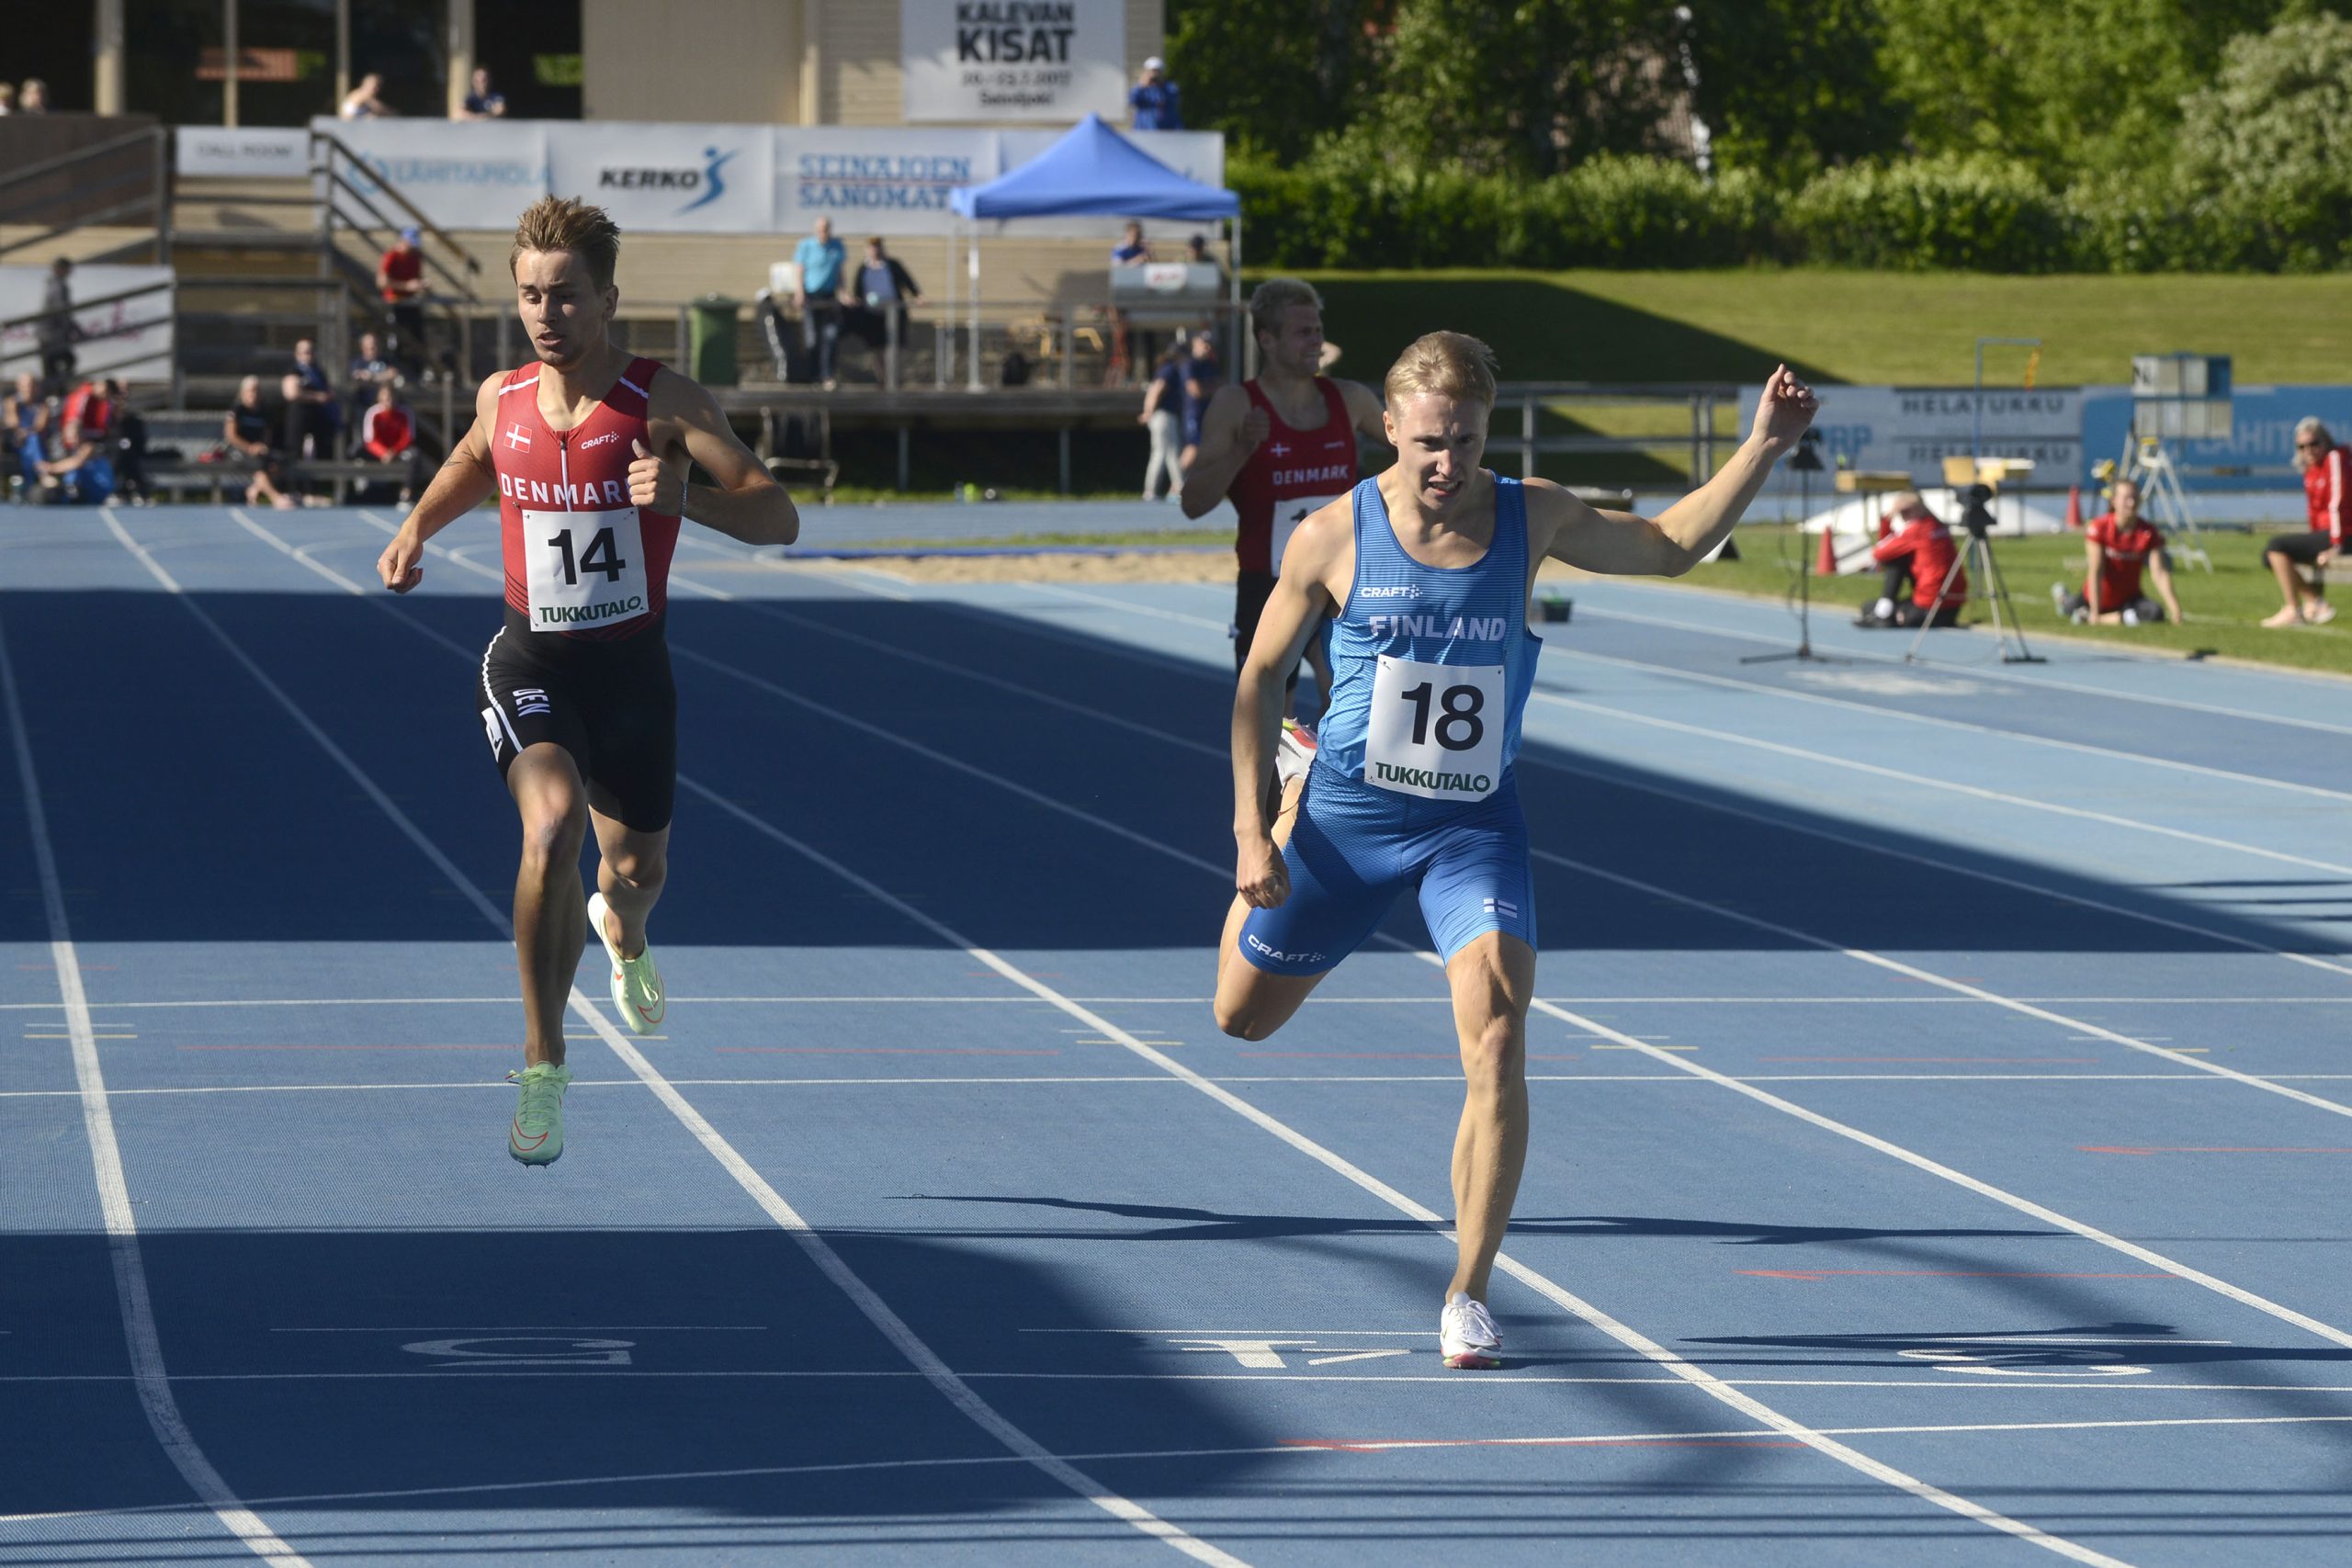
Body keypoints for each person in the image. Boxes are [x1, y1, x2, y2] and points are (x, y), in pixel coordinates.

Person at [1219, 333, 1816, 1369]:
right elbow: (1259, 677)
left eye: (1464, 441)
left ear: (1485, 431)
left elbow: (1669, 544)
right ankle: (1296, 790)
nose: (1445, 463)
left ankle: (1468, 1291)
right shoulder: (1330, 536)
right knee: (1241, 1019)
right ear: (1389, 433)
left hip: (1471, 825)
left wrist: (1762, 444)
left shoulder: (1529, 514)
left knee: (1497, 1033)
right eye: (1426, 444)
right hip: (1346, 819)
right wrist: (1249, 832)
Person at [375, 196, 799, 1168]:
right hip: (530, 659)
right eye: (528, 296)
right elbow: (473, 460)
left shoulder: (666, 403)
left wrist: (689, 499)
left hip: (633, 674)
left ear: (607, 299)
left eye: (564, 296)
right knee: (550, 825)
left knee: (634, 874)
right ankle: (544, 1060)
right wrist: (414, 529)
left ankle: (625, 933)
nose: (544, 314)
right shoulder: (503, 397)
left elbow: (778, 517)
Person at [1182, 277, 1386, 718]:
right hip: (1268, 583)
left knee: (1353, 706)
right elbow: (1193, 502)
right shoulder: (1237, 405)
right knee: (1272, 720)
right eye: (1302, 332)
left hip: (1343, 582)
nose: (1315, 341)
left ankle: (1335, 787)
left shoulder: (1349, 399)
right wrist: (1241, 450)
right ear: (1266, 340)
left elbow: (1411, 448)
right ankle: (1273, 789)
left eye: (1317, 330)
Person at [2050, 478, 2182, 626]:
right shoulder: (2100, 528)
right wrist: (2095, 610)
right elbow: (2096, 571)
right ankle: (2064, 598)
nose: (2131, 503)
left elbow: (2160, 573)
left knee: (2155, 613)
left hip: (2129, 599)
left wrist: (2175, 609)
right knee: (2068, 607)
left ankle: (2094, 619)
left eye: (2134, 497)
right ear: (2114, 501)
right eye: (2126, 498)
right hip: (2096, 597)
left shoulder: (2148, 532)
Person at [2261, 416, 2349, 628]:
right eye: (2302, 446)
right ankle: (2314, 601)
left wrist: (2336, 545)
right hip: (2326, 533)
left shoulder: (2335, 458)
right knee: (2269, 556)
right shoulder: (2310, 470)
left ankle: (2295, 609)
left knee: (2276, 546)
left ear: (2325, 441)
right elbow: (2313, 510)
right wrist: (2313, 540)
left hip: (2343, 533)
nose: (2309, 450)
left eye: (2314, 443)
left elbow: (2338, 502)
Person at [1853, 491, 1966, 627]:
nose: (1902, 517)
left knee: (1870, 605)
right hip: (1953, 602)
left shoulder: (1916, 529)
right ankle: (1887, 611)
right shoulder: (1937, 525)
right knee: (1872, 605)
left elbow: (1880, 552)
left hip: (1930, 601)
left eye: (1902, 512)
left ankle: (1885, 614)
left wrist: (1887, 519)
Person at [848, 236, 922, 376]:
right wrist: (855, 301)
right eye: (872, 248)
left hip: (893, 313)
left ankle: (895, 377)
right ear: (867, 250)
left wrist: (917, 295)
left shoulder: (892, 265)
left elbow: (907, 281)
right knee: (876, 347)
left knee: (895, 346)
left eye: (877, 247)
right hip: (872, 314)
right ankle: (882, 378)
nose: (875, 250)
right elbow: (857, 291)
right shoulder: (863, 268)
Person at [792, 216, 848, 390]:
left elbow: (839, 273)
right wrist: (799, 293)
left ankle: (827, 376)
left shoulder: (837, 246)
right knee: (812, 339)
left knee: (830, 337)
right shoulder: (806, 246)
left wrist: (843, 293)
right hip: (811, 296)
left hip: (829, 297)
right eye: (820, 230)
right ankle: (812, 376)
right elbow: (799, 270)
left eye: (826, 229)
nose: (823, 233)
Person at [223, 374, 294, 510]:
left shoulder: (264, 412)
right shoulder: (237, 411)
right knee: (260, 467)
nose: (254, 394)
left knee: (277, 462)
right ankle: (276, 498)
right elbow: (231, 436)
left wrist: (263, 446)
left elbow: (267, 435)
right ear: (243, 393)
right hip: (239, 450)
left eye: (256, 390)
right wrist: (249, 447)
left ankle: (254, 489)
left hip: (259, 450)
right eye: (251, 390)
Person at [378, 228, 429, 379]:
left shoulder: (414, 258)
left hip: (410, 304)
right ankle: (395, 371)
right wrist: (406, 286)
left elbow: (416, 279)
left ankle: (418, 372)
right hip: (395, 303)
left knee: (417, 337)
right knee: (396, 341)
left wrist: (421, 286)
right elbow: (382, 282)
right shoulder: (392, 256)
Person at [358, 380, 421, 503]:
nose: (389, 401)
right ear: (379, 398)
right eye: (386, 398)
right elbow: (370, 441)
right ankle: (363, 489)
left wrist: (394, 451)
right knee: (355, 452)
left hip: (398, 452)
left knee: (415, 455)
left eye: (391, 398)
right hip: (378, 453)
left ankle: (407, 492)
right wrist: (383, 453)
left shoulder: (405, 413)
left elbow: (408, 437)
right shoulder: (373, 413)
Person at [1139, 344, 1186, 500]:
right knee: (1171, 451)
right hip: (1164, 415)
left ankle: (1151, 490)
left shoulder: (1166, 368)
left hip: (1161, 415)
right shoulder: (1170, 369)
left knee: (1161, 453)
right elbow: (1157, 389)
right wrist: (1148, 411)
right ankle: (1179, 487)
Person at [1180, 328, 1222, 469]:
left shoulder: (1211, 365)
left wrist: (1208, 390)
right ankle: (1176, 483)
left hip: (1210, 413)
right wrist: (1210, 390)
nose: (1207, 346)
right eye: (1204, 342)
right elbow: (1195, 390)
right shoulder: (1190, 364)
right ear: (1195, 343)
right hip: (1195, 413)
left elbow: (1220, 388)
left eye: (1209, 343)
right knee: (1193, 447)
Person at [38, 257, 75, 398]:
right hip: (53, 335)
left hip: (49, 334)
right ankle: (57, 394)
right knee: (63, 362)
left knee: (53, 366)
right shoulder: (59, 286)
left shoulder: (54, 284)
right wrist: (71, 328)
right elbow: (61, 311)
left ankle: (56, 393)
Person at [1128, 56, 1182, 130]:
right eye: (1152, 71)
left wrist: (1161, 85)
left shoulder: (1169, 87)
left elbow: (1174, 100)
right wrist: (1141, 86)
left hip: (1166, 128)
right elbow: (1132, 101)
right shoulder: (1141, 88)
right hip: (1144, 128)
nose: (1154, 74)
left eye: (1157, 71)